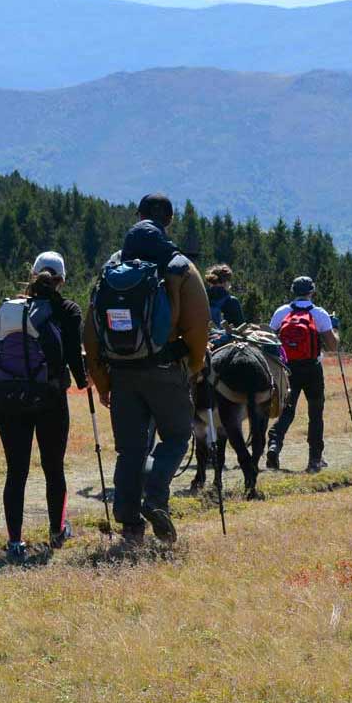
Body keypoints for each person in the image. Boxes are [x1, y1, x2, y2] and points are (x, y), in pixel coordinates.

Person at [85, 194, 208, 541]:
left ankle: (129, 525)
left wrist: (102, 381)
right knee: (176, 437)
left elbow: (92, 330)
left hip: (121, 373)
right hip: (167, 369)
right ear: (169, 221)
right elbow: (199, 327)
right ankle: (154, 496)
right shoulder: (180, 267)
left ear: (136, 216)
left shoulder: (112, 267)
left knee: (130, 449)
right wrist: (193, 366)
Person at [0, 252, 87, 560]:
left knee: (15, 471)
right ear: (61, 280)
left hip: (9, 399)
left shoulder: (10, 309)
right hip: (50, 399)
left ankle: (15, 541)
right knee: (53, 467)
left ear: (32, 275)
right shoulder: (68, 310)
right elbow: (70, 356)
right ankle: (57, 530)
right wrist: (84, 381)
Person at [267, 276, 339, 473]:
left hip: (288, 369)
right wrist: (336, 328)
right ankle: (315, 459)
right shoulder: (319, 313)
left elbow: (269, 341)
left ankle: (274, 445)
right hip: (312, 369)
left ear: (293, 291)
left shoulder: (281, 312)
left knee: (286, 411)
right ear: (311, 292)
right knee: (315, 413)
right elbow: (333, 345)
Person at [206, 264, 244, 328]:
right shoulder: (232, 302)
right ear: (226, 282)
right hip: (224, 336)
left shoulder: (202, 298)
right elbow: (240, 326)